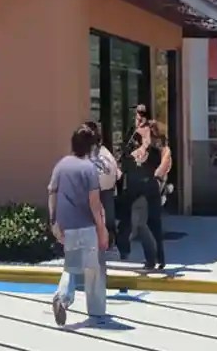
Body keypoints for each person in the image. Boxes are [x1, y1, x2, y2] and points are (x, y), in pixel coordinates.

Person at [48, 126, 109, 326]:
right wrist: (102, 229)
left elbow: (52, 193)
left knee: (72, 266)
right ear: (91, 147)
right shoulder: (89, 169)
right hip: (87, 225)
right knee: (94, 268)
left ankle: (62, 297)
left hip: (67, 225)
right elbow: (94, 203)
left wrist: (54, 221)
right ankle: (96, 310)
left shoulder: (61, 165)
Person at [117, 108, 171, 270]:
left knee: (151, 222)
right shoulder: (132, 139)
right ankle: (126, 250)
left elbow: (165, 158)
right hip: (133, 185)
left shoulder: (157, 143)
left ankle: (157, 258)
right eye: (137, 119)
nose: (138, 123)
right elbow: (124, 159)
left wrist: (159, 176)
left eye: (141, 120)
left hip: (149, 185)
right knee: (129, 220)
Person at [83, 120, 121, 250]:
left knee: (99, 220)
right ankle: (109, 243)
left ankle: (106, 243)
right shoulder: (103, 151)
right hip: (106, 189)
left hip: (99, 190)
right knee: (106, 220)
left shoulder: (93, 151)